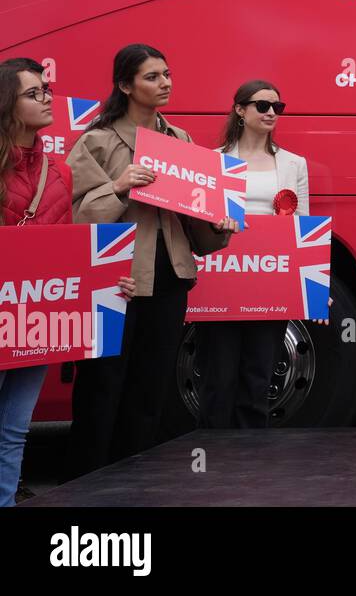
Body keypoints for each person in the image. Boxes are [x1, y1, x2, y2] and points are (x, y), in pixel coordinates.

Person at [64, 44, 235, 480]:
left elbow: (198, 233)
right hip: (114, 280)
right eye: (152, 76)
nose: (165, 83)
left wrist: (217, 223)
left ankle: (136, 477)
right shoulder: (97, 141)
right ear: (125, 85)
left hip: (170, 276)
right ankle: (89, 478)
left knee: (151, 385)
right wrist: (119, 187)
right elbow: (75, 218)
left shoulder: (180, 141)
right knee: (102, 385)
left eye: (167, 74)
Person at [0, 59, 92, 506]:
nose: (46, 98)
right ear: (7, 103)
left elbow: (66, 253)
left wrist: (100, 286)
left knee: (16, 430)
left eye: (46, 90)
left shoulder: (61, 172)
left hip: (35, 319)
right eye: (33, 93)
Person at [194, 80, 310, 429]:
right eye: (262, 105)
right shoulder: (212, 161)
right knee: (218, 378)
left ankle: (249, 463)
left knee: (258, 378)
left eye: (277, 107)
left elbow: (301, 227)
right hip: (222, 280)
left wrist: (310, 288)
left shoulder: (294, 164)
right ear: (240, 110)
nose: (272, 112)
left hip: (269, 282)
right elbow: (200, 223)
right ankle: (212, 458)